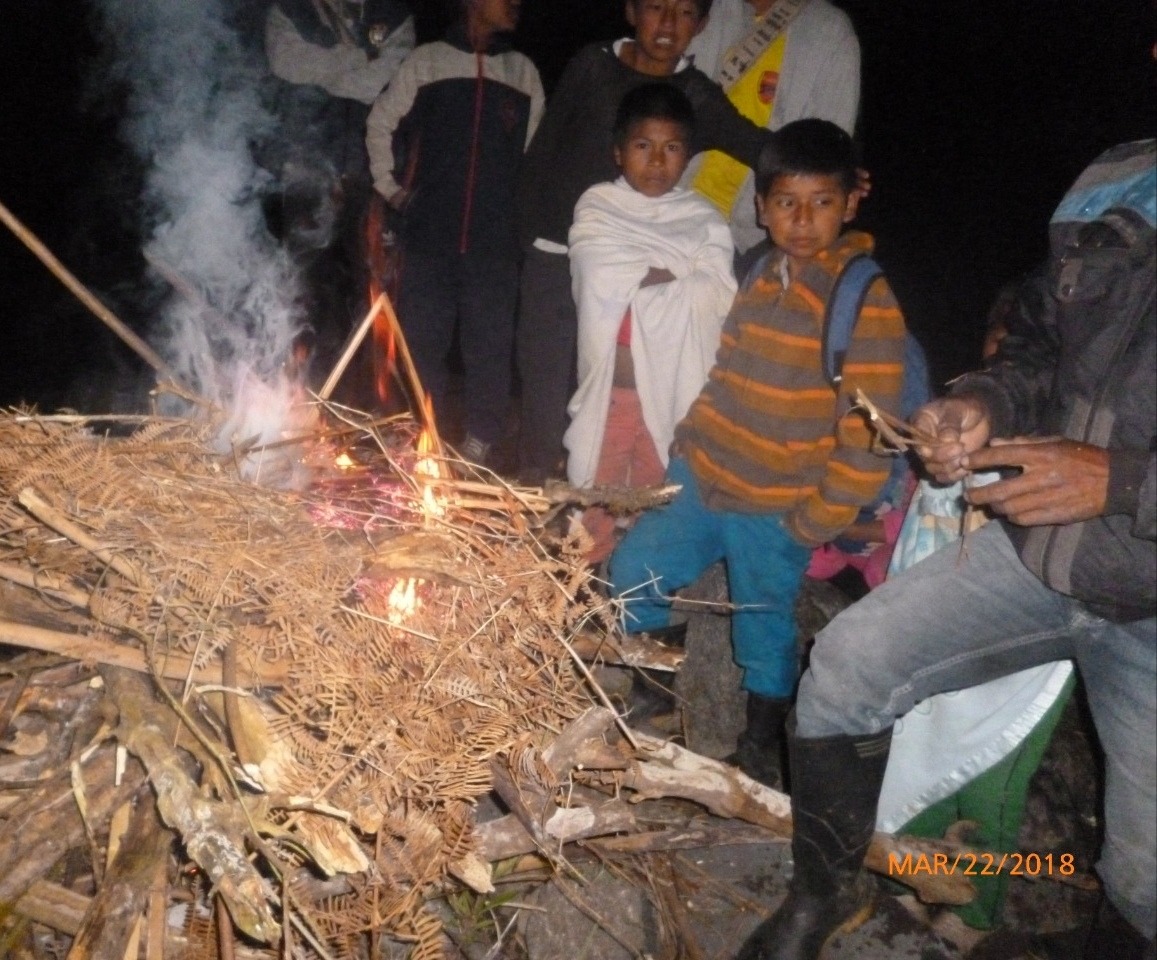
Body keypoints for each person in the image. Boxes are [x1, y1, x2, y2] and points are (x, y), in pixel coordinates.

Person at [737, 138, 1156, 960]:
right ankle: (821, 894)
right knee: (843, 670)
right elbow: (1037, 342)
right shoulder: (1113, 180)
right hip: (1040, 548)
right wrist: (979, 402)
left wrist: (1124, 483)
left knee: (1143, 877)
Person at [608, 119, 907, 787]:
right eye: (784, 203)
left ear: (850, 203)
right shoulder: (761, 274)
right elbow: (726, 373)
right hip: (703, 478)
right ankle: (652, 703)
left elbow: (871, 432)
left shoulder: (862, 299)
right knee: (633, 569)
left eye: (821, 202)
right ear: (761, 206)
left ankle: (761, 745)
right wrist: (688, 441)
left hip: (775, 506)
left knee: (762, 632)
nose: (801, 220)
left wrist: (817, 517)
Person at [514, 0, 772, 486]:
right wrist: (525, 233)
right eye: (657, 7)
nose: (669, 24)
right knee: (545, 389)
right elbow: (547, 143)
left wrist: (824, 167)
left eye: (684, 12)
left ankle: (610, 503)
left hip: (634, 270)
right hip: (556, 251)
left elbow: (757, 144)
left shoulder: (696, 95)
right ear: (632, 10)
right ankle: (537, 509)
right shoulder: (593, 63)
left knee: (612, 395)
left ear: (702, 23)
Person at [365, 0, 544, 466]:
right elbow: (380, 122)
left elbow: (535, 152)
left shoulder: (521, 72)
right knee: (421, 339)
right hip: (428, 236)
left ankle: (482, 438)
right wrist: (391, 188)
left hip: (495, 242)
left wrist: (518, 214)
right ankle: (420, 435)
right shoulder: (428, 62)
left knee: (490, 343)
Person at [565, 83, 737, 564]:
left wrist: (652, 274)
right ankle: (579, 593)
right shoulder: (599, 206)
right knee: (594, 493)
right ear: (619, 152)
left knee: (656, 494)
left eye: (672, 148)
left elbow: (719, 289)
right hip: (613, 391)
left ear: (688, 156)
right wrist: (678, 270)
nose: (658, 161)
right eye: (644, 146)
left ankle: (634, 592)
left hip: (672, 391)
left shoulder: (702, 216)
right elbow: (602, 271)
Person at [685, 0, 861, 256]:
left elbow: (826, 154)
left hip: (751, 238)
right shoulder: (704, 9)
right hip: (670, 204)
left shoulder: (830, 32)